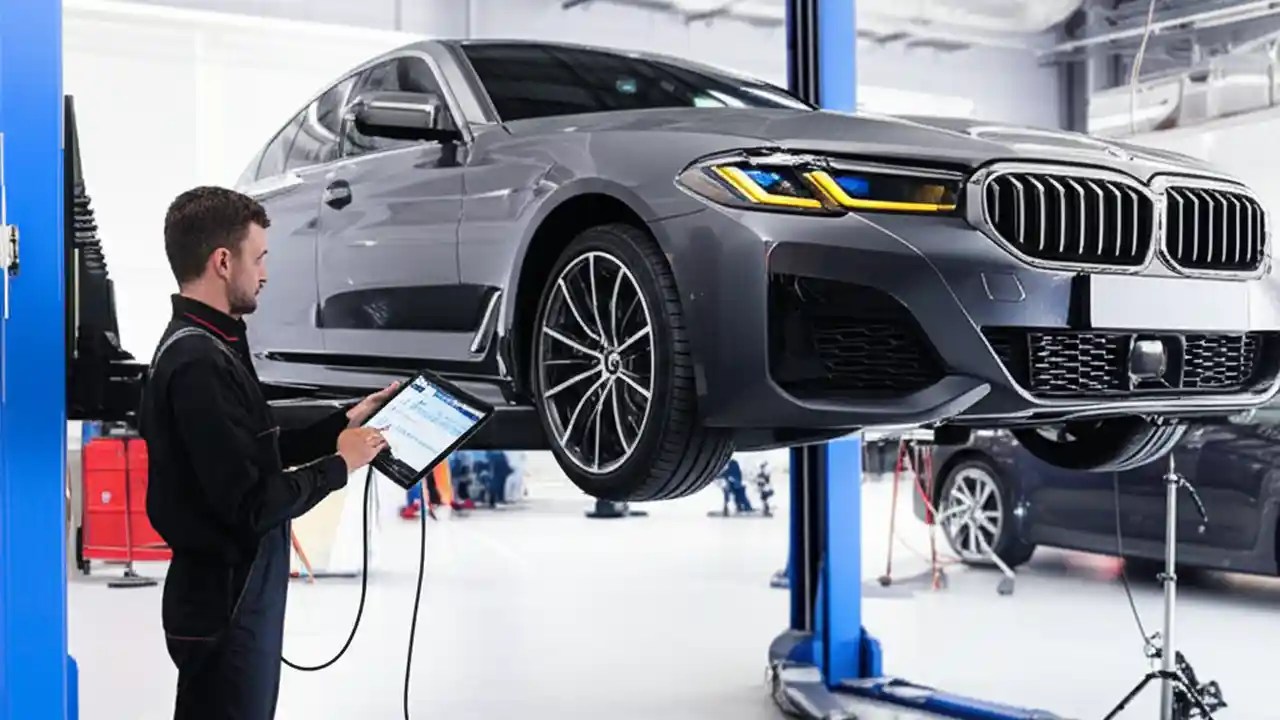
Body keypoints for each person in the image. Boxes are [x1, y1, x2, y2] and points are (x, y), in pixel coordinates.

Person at [138, 186, 398, 720]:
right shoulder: (197, 363)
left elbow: (254, 445)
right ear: (222, 261)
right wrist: (340, 465)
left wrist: (339, 425)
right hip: (226, 604)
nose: (265, 274)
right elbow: (252, 504)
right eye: (259, 258)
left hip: (229, 595)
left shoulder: (214, 343)